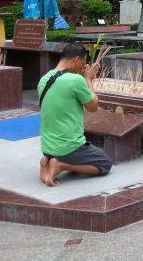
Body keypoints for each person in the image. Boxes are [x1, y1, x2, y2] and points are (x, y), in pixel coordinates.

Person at [37, 42, 112, 186]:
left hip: (47, 146)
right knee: (105, 164)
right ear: (77, 59)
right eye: (83, 63)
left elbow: (65, 106)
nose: (83, 68)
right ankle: (61, 165)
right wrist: (88, 79)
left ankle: (47, 160)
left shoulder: (44, 78)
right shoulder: (76, 80)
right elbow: (93, 106)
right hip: (68, 147)